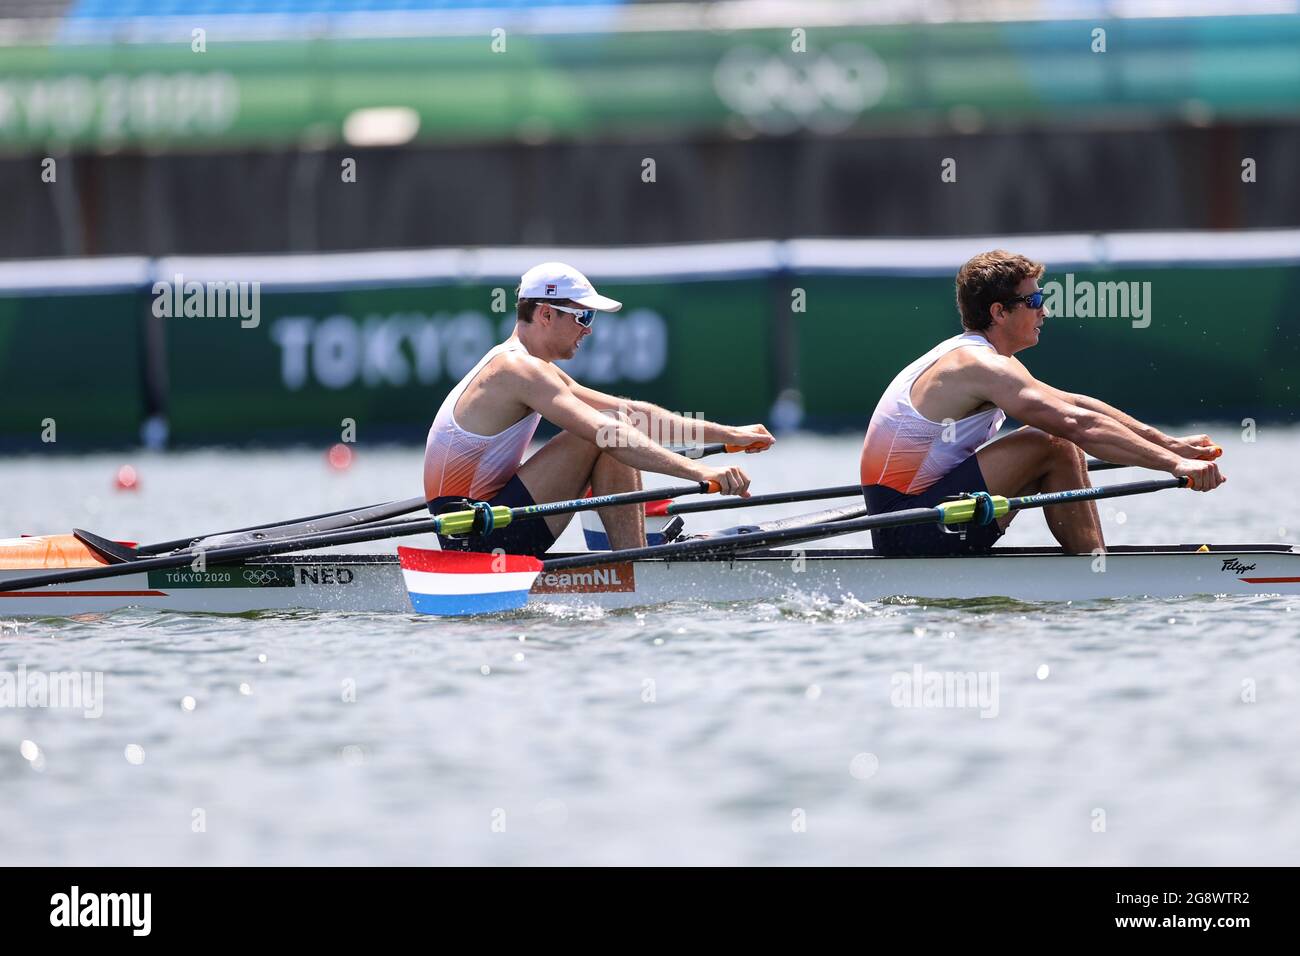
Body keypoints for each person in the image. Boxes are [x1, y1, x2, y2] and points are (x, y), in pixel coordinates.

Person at [860, 249, 1225, 556]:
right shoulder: (978, 365)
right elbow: (1076, 425)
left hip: (925, 514)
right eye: (1034, 301)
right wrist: (1174, 464)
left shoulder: (982, 358)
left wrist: (1169, 443)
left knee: (1060, 442)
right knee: (1052, 443)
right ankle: (1094, 571)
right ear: (999, 312)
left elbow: (1075, 405)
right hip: (907, 528)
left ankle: (1093, 562)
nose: (1044, 311)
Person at [423, 261, 774, 555]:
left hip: (488, 520)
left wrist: (730, 434)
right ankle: (635, 568)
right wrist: (700, 473)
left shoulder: (528, 366)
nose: (589, 330)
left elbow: (635, 413)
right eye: (584, 316)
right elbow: (609, 433)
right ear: (546, 314)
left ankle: (631, 560)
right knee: (600, 433)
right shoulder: (518, 369)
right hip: (474, 536)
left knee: (611, 423)